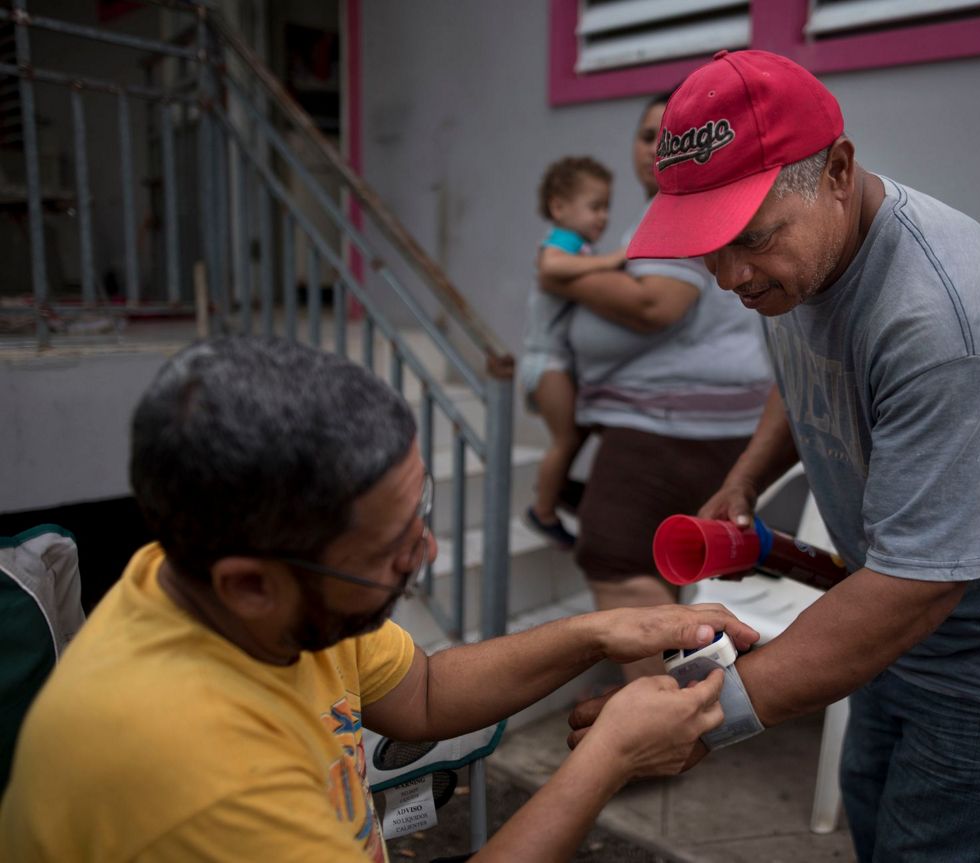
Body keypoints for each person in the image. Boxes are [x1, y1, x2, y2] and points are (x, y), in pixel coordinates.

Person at [573, 50, 980, 861]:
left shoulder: (948, 324)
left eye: (751, 238)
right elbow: (806, 374)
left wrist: (702, 712)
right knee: (886, 837)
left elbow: (914, 589)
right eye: (706, 247)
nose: (730, 277)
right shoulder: (796, 268)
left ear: (836, 170)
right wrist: (745, 480)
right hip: (891, 627)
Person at [0, 336, 759, 862]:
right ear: (251, 583)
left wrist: (598, 631)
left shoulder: (235, 585)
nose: (425, 552)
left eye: (420, 514)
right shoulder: (193, 776)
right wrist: (611, 756)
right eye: (389, 549)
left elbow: (421, 693)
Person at [539, 93, 774, 681]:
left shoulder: (681, 214)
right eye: (647, 136)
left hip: (670, 427)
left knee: (615, 558)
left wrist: (559, 279)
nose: (656, 149)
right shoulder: (674, 216)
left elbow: (655, 304)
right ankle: (681, 704)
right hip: (686, 423)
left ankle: (655, 723)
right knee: (661, 565)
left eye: (670, 136)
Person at [520, 156, 626, 548]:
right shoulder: (562, 241)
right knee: (566, 439)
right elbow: (551, 265)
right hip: (547, 360)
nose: (603, 216)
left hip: (559, 361)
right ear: (559, 208)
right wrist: (614, 259)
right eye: (595, 206)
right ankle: (542, 511)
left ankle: (559, 489)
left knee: (578, 432)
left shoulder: (582, 245)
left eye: (607, 207)